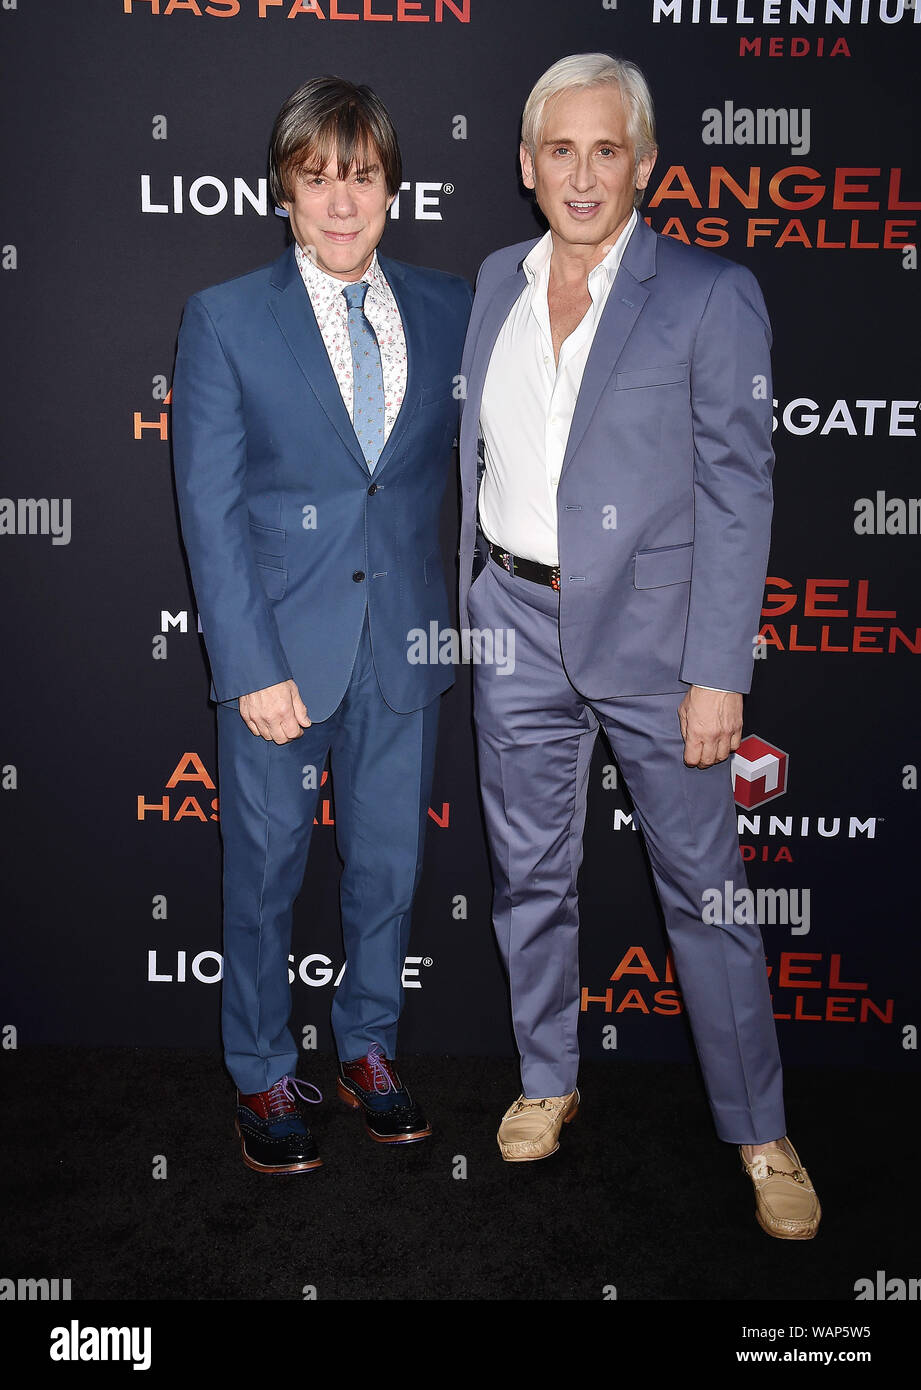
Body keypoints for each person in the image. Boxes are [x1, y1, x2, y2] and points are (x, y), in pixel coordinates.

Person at [457, 53, 820, 1238]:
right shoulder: (492, 282)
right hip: (511, 618)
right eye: (558, 149)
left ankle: (761, 1133)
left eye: (605, 149)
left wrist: (722, 668)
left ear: (645, 164)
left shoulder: (710, 294)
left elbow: (739, 489)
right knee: (530, 878)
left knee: (706, 898)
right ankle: (548, 1079)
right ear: (526, 165)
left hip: (663, 647)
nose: (581, 172)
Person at [172, 75, 472, 1173]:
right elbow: (207, 505)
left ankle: (369, 1048)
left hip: (404, 648)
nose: (341, 201)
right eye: (317, 177)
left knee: (387, 867)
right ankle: (258, 1067)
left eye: (362, 175)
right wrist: (247, 662)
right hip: (280, 660)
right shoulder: (226, 316)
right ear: (284, 190)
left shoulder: (450, 308)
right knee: (263, 873)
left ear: (392, 187)